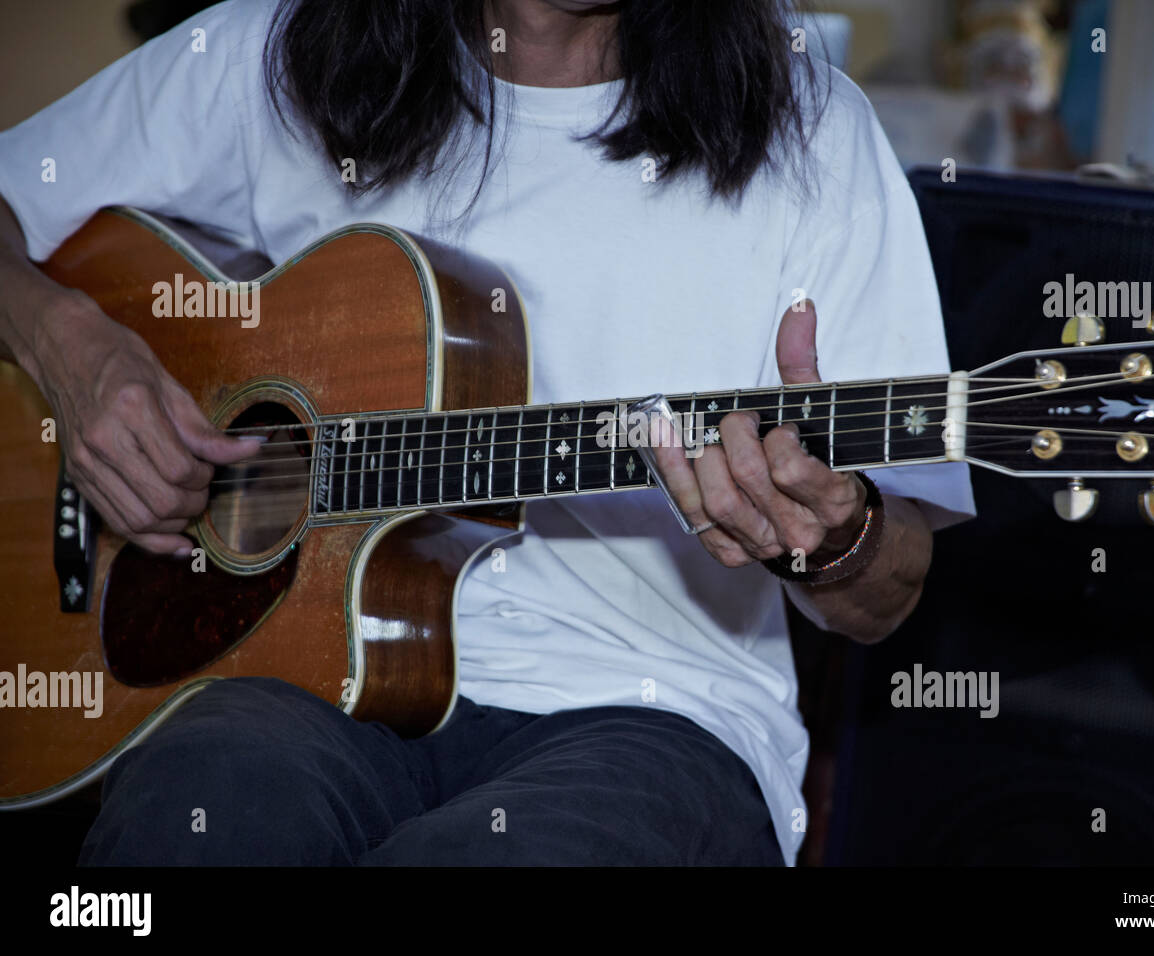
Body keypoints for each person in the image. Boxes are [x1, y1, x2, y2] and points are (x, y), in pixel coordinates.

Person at [0, 0, 975, 865]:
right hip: (297, 677)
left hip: (656, 707)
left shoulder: (812, 126)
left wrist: (837, 536)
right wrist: (71, 345)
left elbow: (889, 591)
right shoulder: (271, 52)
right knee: (202, 812)